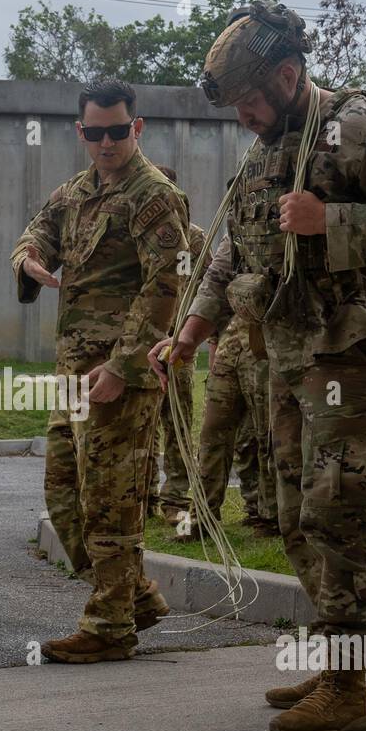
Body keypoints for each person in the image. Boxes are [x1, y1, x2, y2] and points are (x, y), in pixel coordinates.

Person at [151, 1, 366, 731]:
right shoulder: (264, 147)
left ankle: (348, 687)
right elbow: (235, 251)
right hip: (283, 358)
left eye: (252, 99)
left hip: (357, 354)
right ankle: (354, 664)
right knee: (294, 518)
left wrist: (334, 221)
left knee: (339, 513)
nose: (245, 116)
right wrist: (191, 331)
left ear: (289, 74)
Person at [12, 78, 191, 663]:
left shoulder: (154, 195)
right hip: (74, 374)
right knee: (64, 493)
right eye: (96, 132)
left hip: (121, 376)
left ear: (136, 128)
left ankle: (110, 626)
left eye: (118, 131)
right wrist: (29, 259)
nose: (107, 142)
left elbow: (167, 285)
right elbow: (40, 230)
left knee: (111, 497)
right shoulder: (76, 191)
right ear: (80, 131)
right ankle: (133, 594)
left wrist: (122, 365)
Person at [191, 237, 279, 536]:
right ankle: (201, 517)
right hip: (233, 341)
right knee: (212, 432)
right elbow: (214, 281)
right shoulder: (237, 228)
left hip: (271, 341)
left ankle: (269, 518)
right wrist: (202, 339)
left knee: (269, 436)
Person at [146, 164, 210, 526]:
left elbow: (211, 288)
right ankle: (143, 495)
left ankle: (175, 498)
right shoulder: (135, 236)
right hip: (140, 344)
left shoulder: (194, 238)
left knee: (178, 420)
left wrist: (197, 333)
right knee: (142, 421)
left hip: (177, 345)